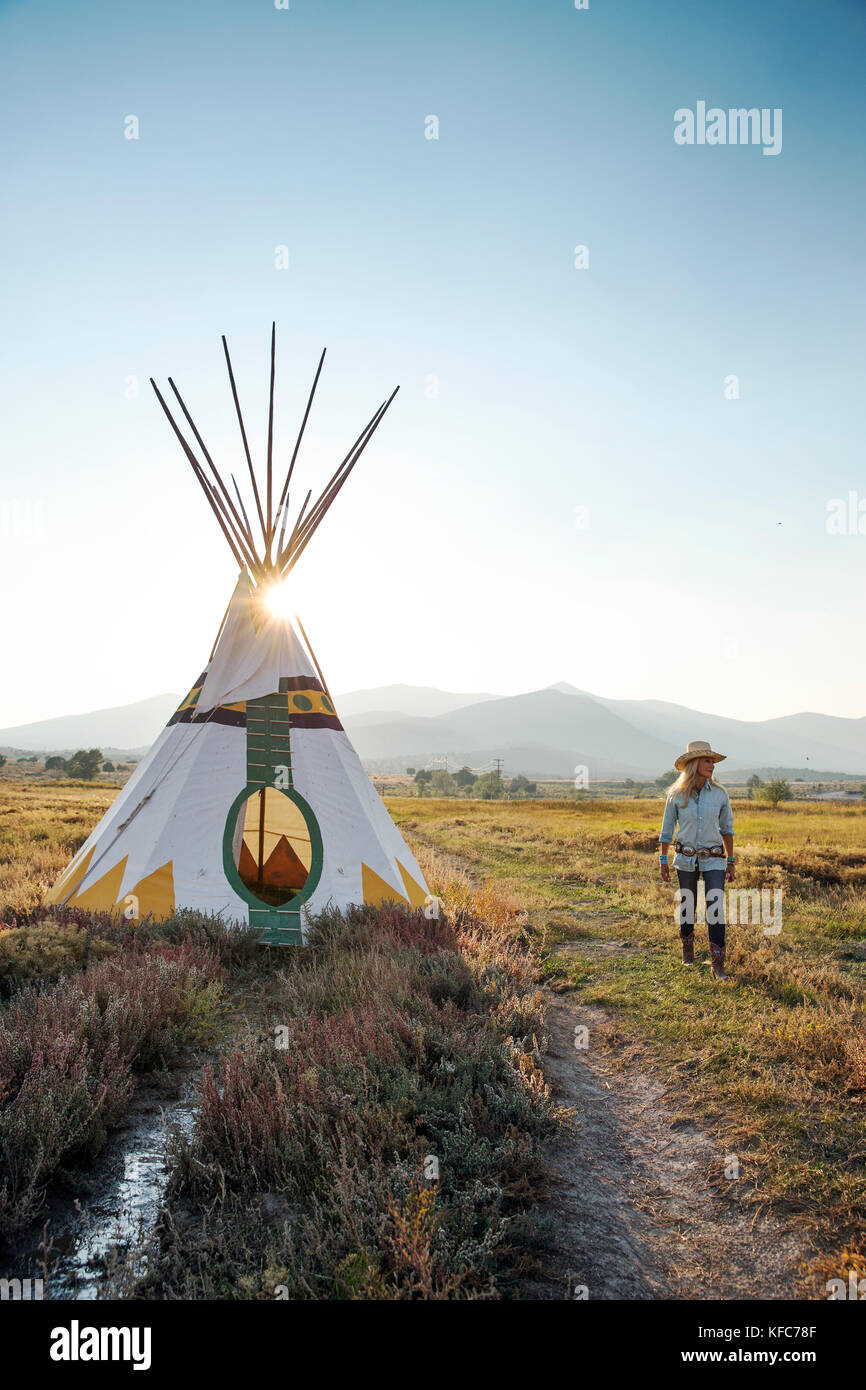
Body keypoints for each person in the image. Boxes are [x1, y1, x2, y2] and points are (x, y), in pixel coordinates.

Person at [658, 740, 735, 981]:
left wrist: (731, 861)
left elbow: (727, 829)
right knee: (688, 905)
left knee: (715, 908)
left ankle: (718, 965)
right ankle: (688, 951)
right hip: (685, 858)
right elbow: (667, 831)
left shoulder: (720, 795)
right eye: (707, 760)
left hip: (714, 859)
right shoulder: (676, 795)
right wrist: (663, 859)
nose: (712, 765)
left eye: (712, 761)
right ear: (693, 764)